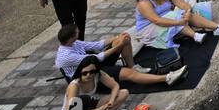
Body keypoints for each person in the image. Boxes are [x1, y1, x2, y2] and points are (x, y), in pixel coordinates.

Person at [54, 23, 186, 88]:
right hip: (88, 77)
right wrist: (117, 46)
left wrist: (119, 37)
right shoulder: (65, 56)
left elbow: (96, 45)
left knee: (124, 39)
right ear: (71, 37)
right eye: (77, 33)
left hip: (92, 64)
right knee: (129, 74)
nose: (79, 34)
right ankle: (167, 78)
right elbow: (97, 58)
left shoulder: (74, 43)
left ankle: (132, 65)